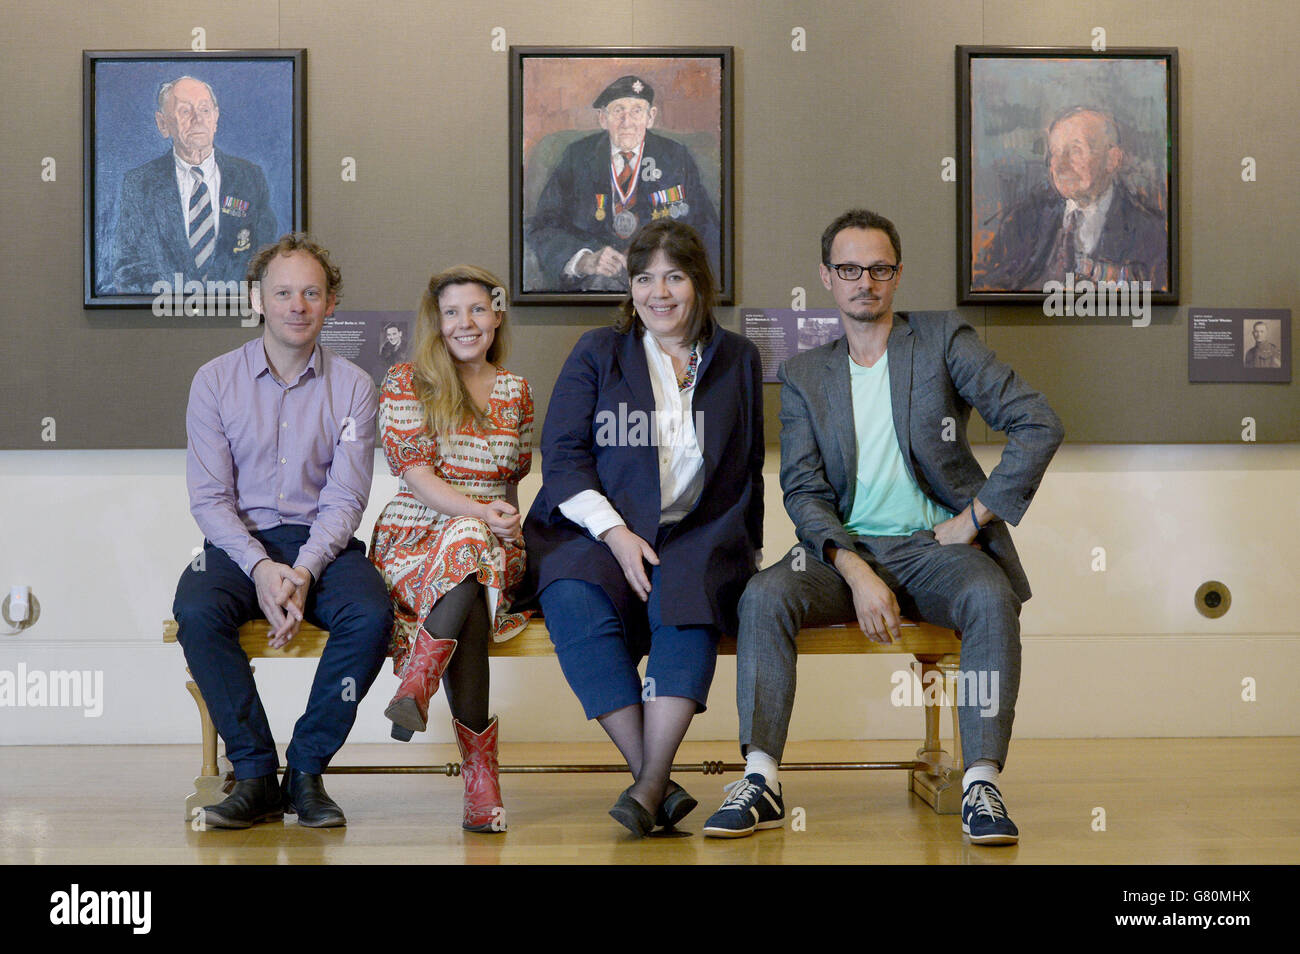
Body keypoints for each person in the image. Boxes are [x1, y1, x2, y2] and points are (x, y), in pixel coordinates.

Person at [703, 209, 1063, 845]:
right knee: (763, 595)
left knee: (988, 595)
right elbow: (804, 490)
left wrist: (976, 517)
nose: (863, 281)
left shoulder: (944, 340)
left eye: (878, 268)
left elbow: (1038, 421)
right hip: (842, 553)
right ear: (826, 277)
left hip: (935, 550)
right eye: (849, 268)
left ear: (897, 275)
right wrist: (854, 567)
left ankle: (980, 782)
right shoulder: (806, 373)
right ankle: (760, 780)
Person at [519, 219, 763, 836]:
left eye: (674, 277)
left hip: (698, 531)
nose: (659, 292)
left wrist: (742, 549)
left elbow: (747, 466)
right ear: (629, 288)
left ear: (698, 284)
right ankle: (651, 776)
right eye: (644, 278)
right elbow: (565, 455)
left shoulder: (738, 358)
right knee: (573, 593)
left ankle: (649, 785)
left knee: (688, 591)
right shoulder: (599, 351)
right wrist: (616, 534)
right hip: (596, 530)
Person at [172, 234, 393, 829]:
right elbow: (210, 499)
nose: (298, 305)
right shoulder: (214, 381)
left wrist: (302, 571)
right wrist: (263, 569)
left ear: (331, 303)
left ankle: (306, 770)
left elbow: (347, 497)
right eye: (284, 292)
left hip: (320, 542)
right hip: (238, 544)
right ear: (258, 301)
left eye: (311, 293)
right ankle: (252, 774)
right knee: (196, 611)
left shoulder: (354, 386)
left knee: (371, 614)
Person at [368, 266, 534, 833]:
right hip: (414, 537)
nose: (466, 323)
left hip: (488, 545)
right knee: (469, 543)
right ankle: (480, 777)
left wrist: (507, 522)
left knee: (475, 551)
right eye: (451, 312)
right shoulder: (404, 381)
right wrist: (481, 516)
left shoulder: (515, 390)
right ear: (435, 323)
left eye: (478, 309)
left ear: (496, 315)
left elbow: (509, 484)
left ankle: (418, 683)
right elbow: (416, 477)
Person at [525, 75, 721, 292]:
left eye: (637, 110)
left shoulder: (675, 157)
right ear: (602, 118)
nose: (627, 122)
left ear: (651, 117)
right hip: (595, 283)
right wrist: (584, 259)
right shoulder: (577, 157)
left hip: (661, 280)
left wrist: (661, 259)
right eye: (618, 110)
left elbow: (706, 227)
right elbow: (543, 225)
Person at [111, 76, 279, 294]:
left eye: (205, 110)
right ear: (163, 124)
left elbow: (266, 259)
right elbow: (127, 270)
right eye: (184, 111)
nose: (198, 119)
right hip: (165, 320)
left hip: (234, 318)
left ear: (216, 118)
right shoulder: (140, 185)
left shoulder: (250, 178)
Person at [977, 106, 1167, 291]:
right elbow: (984, 282)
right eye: (1055, 153)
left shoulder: (1149, 230)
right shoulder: (1023, 219)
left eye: (1076, 151)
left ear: (1112, 159)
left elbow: (1155, 290)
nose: (1060, 165)